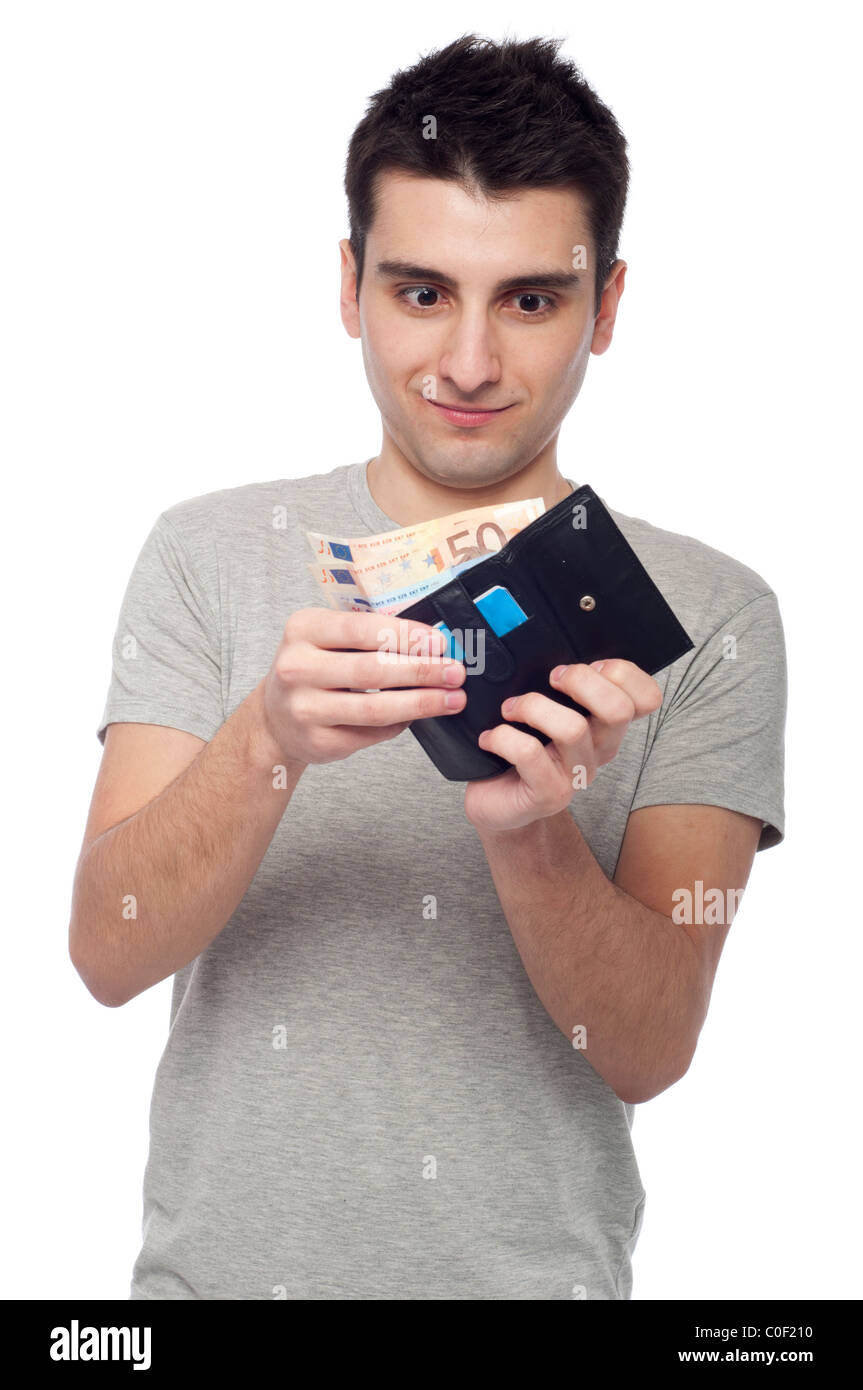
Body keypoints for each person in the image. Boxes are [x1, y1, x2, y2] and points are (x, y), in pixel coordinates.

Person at [69, 33, 786, 1300]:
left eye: (528, 298)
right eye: (417, 293)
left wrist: (530, 831)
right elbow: (107, 953)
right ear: (346, 287)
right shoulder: (204, 552)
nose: (465, 365)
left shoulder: (713, 615)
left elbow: (648, 1047)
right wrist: (264, 746)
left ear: (605, 305)